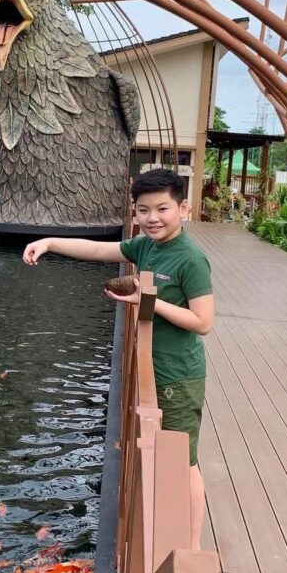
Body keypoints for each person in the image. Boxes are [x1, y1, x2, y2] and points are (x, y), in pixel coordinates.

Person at [22, 168, 214, 550]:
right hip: (152, 368)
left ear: (184, 209)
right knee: (161, 451)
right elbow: (97, 250)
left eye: (162, 208)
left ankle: (190, 549)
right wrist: (48, 242)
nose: (153, 218)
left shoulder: (191, 259)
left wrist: (149, 302)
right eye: (144, 210)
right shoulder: (146, 246)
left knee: (184, 461)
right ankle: (163, 524)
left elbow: (203, 322)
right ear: (134, 212)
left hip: (177, 375)